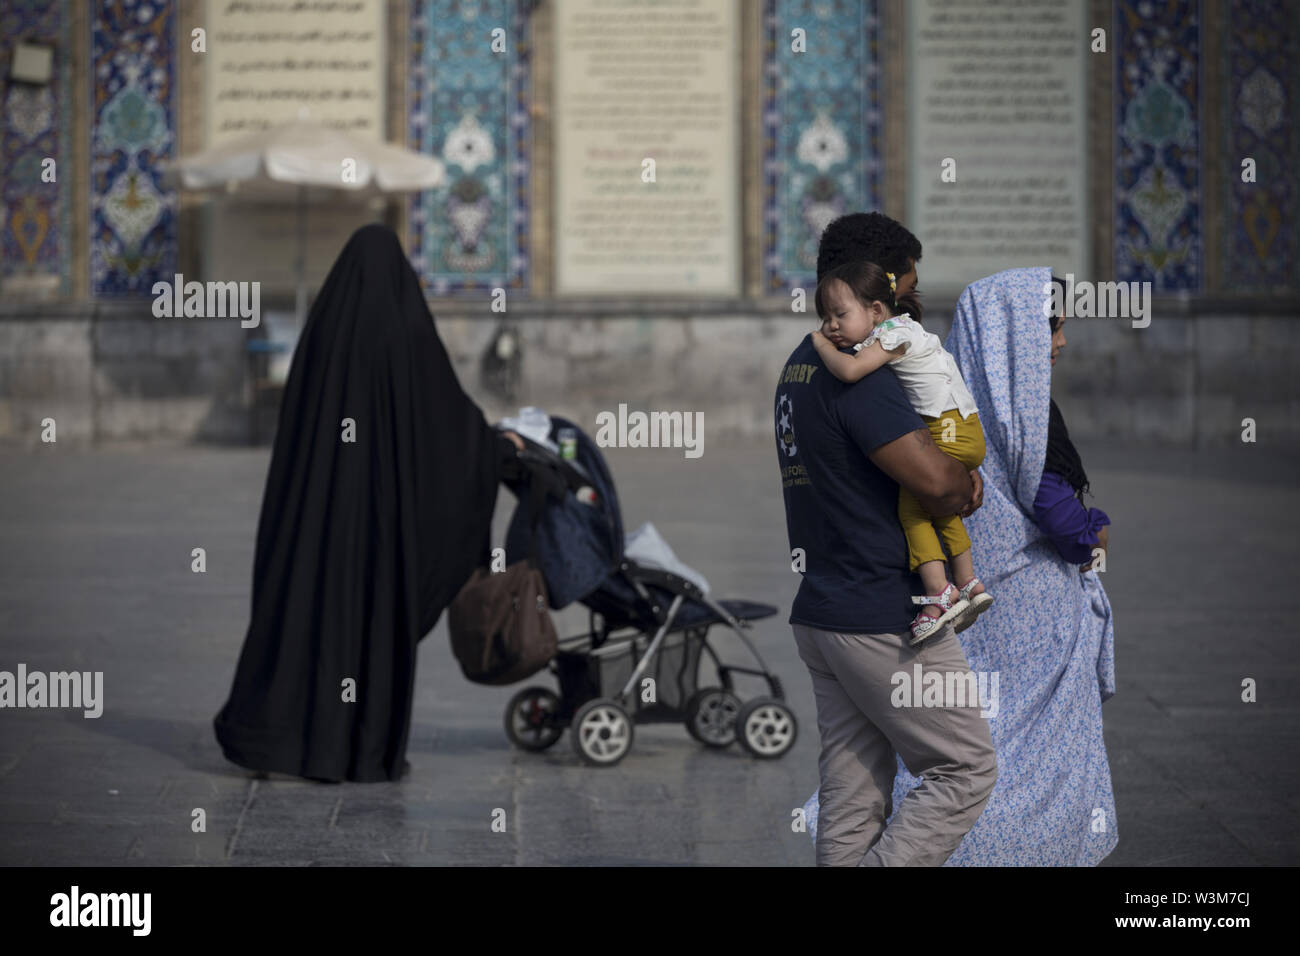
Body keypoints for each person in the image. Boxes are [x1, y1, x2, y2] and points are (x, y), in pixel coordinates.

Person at [802, 267, 1118, 865]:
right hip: (1029, 634)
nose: (1062, 342)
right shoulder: (1017, 418)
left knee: (885, 766)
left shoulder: (931, 398)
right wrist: (1093, 533)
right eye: (1053, 329)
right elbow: (1057, 512)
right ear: (1019, 337)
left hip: (939, 618)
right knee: (988, 770)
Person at [213, 224, 524, 783]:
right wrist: (493, 448)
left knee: (311, 611)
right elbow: (445, 419)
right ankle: (357, 749)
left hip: (318, 521)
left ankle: (286, 739)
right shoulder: (404, 330)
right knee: (369, 620)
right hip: (383, 526)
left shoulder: (324, 332)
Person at [775, 212, 996, 866]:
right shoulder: (862, 371)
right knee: (964, 769)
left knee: (852, 796)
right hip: (884, 614)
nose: (907, 307)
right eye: (903, 292)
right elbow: (943, 487)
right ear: (879, 286)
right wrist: (960, 483)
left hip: (823, 611)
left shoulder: (797, 366)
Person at [810, 259, 994, 641]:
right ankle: (970, 583)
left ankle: (937, 595)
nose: (831, 326)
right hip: (965, 430)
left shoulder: (891, 336)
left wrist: (819, 346)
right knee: (938, 510)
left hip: (947, 429)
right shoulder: (909, 330)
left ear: (876, 310)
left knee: (912, 512)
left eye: (839, 315)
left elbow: (849, 371)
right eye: (825, 318)